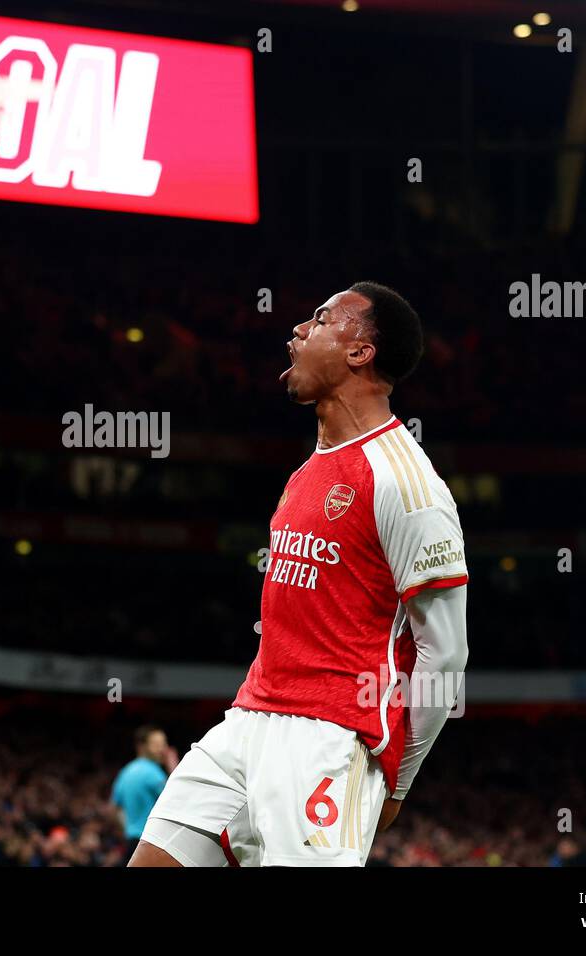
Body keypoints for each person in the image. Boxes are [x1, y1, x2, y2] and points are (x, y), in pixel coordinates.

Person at [130, 282, 468, 867]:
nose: (298, 331)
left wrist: (399, 778)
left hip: (329, 739)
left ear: (360, 351)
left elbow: (446, 654)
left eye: (320, 319)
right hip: (246, 720)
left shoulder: (407, 484)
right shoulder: (306, 472)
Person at [111, 726, 173, 862]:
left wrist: (129, 830)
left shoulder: (125, 772)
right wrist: (173, 768)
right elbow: (177, 801)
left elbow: (115, 809)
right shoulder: (153, 773)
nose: (163, 749)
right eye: (156, 745)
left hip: (132, 842)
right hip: (151, 843)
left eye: (164, 744)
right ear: (141, 747)